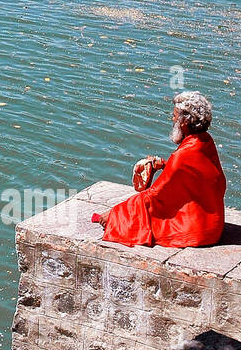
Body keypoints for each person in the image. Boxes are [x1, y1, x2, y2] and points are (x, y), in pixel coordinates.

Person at [92, 92, 226, 247]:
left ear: (184, 122)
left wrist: (116, 214)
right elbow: (193, 176)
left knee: (139, 221)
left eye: (175, 116)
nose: (172, 119)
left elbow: (154, 196)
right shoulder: (206, 141)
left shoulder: (182, 156)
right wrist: (164, 165)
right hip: (214, 225)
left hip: (197, 232)